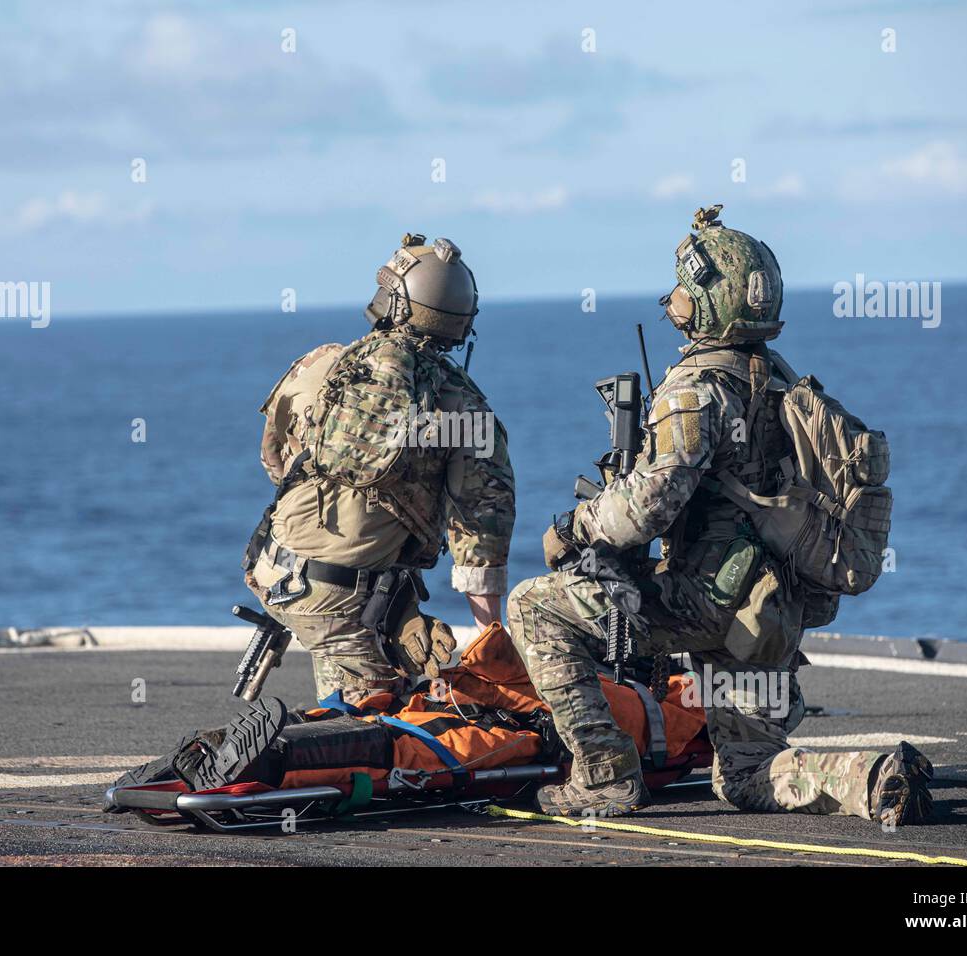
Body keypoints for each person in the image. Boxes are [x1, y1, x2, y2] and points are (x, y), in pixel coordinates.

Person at [508, 205, 932, 825]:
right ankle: (871, 776)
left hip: (704, 603)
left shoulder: (695, 387)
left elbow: (652, 500)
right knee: (746, 775)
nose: (674, 299)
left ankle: (604, 777)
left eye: (684, 287)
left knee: (534, 607)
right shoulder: (787, 385)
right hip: (773, 615)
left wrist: (576, 527)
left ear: (709, 299)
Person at [243, 233, 515, 705]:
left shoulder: (323, 363)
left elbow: (273, 458)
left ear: (389, 299)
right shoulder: (466, 412)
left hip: (267, 564)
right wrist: (491, 638)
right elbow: (480, 539)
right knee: (377, 731)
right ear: (460, 322)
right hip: (338, 599)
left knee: (369, 631)